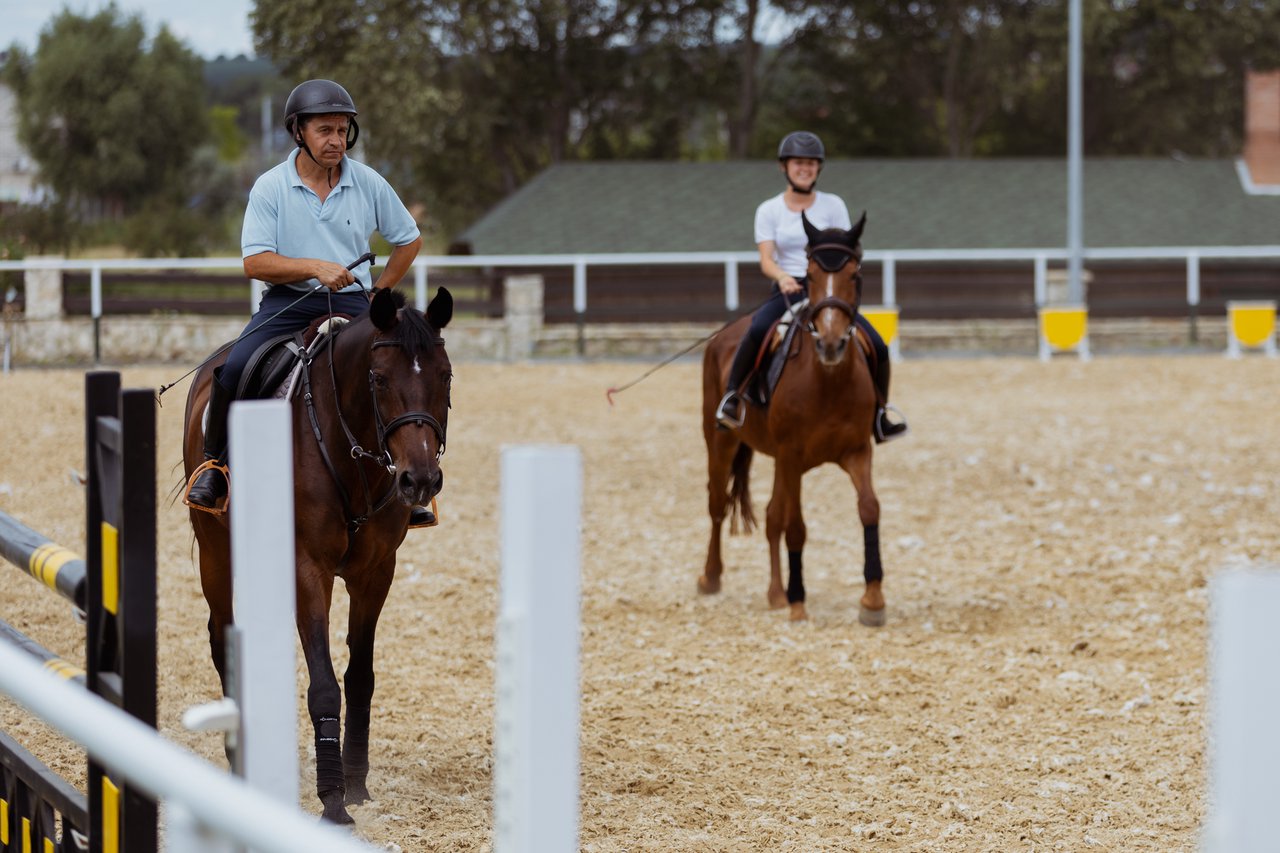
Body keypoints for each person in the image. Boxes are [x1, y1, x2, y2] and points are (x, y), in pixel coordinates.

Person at [184, 79, 433, 524]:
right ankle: (214, 466)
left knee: (405, 365)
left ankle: (407, 480)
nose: (336, 140)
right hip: (288, 303)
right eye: (326, 131)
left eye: (342, 130)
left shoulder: (370, 182)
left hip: (356, 303)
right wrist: (315, 268)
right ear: (299, 132)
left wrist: (380, 289)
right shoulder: (270, 187)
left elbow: (409, 240)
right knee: (236, 366)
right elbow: (255, 262)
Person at [715, 130, 908, 442]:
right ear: (784, 167)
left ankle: (880, 414)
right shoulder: (769, 210)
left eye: (810, 163)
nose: (804, 168)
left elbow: (846, 251)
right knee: (758, 329)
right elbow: (766, 258)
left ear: (818, 168)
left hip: (829, 292)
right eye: (798, 163)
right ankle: (733, 398)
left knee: (878, 343)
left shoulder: (833, 205)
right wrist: (781, 276)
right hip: (789, 289)